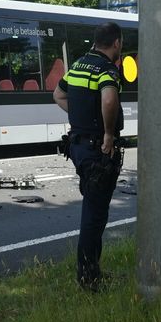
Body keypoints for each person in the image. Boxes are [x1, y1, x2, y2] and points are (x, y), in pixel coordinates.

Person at [52, 22, 124, 291]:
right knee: (94, 216)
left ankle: (92, 270)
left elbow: (58, 94)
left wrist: (79, 113)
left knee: (94, 210)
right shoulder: (107, 70)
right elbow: (108, 100)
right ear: (116, 43)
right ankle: (88, 278)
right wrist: (107, 133)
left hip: (79, 147)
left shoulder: (79, 65)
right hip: (98, 149)